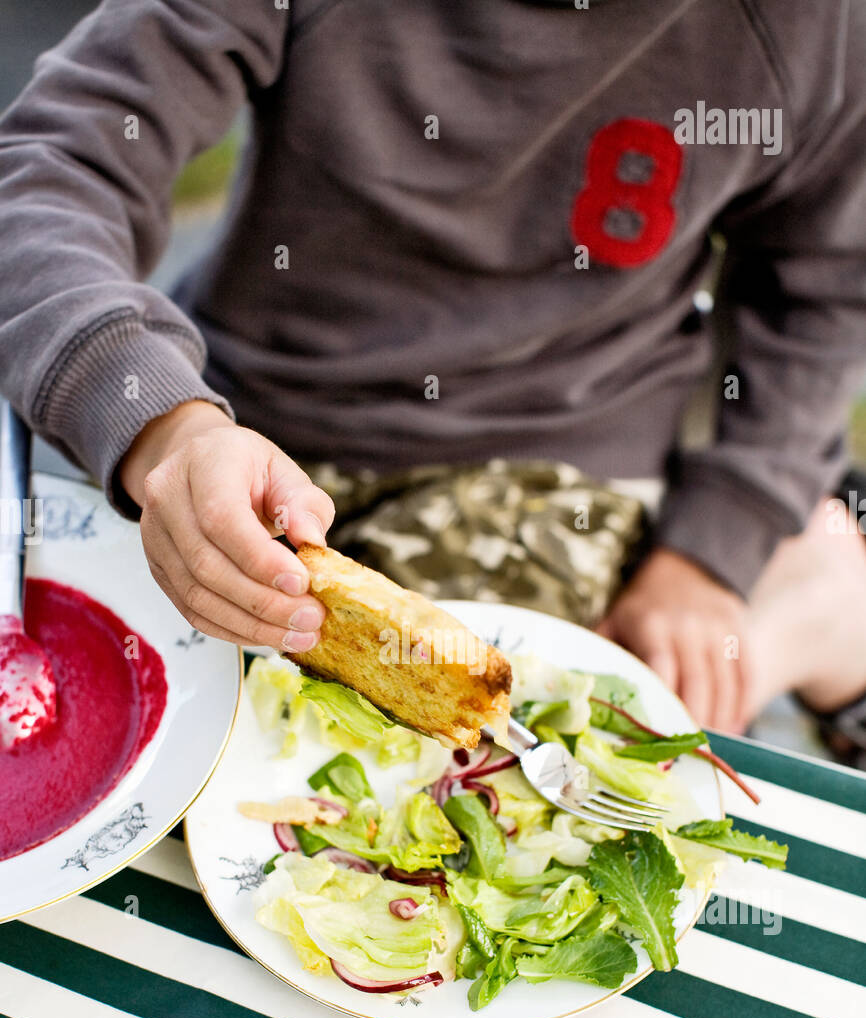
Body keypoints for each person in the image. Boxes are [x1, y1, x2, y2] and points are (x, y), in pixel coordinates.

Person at [0, 0, 865, 742]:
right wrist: (163, 425)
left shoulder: (815, 27)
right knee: (128, 716)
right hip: (248, 423)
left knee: (468, 774)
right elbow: (50, 173)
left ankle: (801, 599)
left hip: (561, 459)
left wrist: (712, 552)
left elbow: (824, 292)